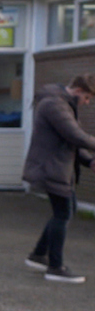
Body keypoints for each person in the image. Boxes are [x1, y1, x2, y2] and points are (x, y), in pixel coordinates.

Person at [22, 74, 95, 284]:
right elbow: (75, 136)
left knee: (64, 211)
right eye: (87, 98)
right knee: (63, 213)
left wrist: (88, 161)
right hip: (51, 168)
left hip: (58, 167)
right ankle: (55, 267)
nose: (87, 103)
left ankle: (38, 255)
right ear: (79, 91)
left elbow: (69, 141)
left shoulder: (61, 103)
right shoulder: (55, 104)